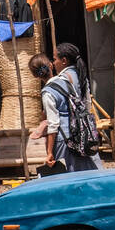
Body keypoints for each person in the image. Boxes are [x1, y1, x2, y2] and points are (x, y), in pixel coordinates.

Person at [28, 43, 103, 173]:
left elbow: (53, 124)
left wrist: (49, 152)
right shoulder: (72, 78)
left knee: (68, 178)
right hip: (82, 134)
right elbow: (86, 104)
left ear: (35, 76)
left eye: (55, 58)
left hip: (65, 141)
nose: (54, 61)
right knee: (90, 175)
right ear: (50, 66)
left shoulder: (49, 91)